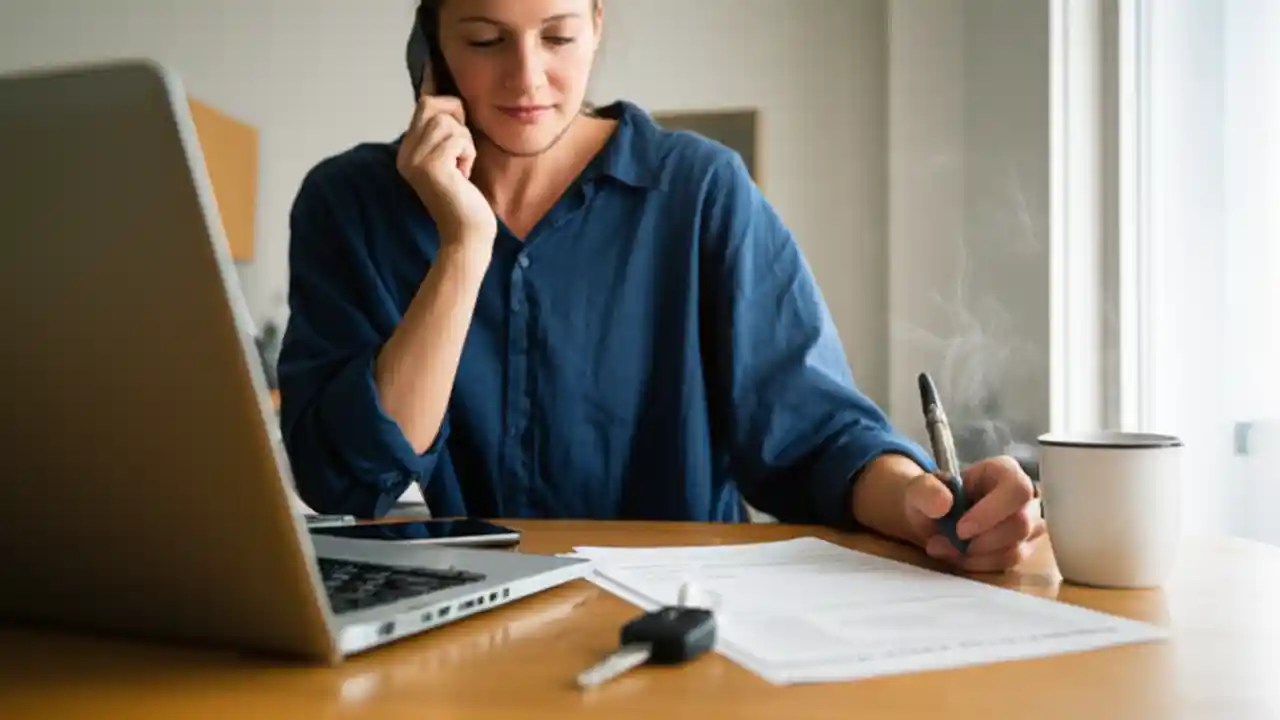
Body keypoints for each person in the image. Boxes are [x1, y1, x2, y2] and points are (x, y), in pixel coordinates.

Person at [278, 0, 1044, 573]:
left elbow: (817, 438)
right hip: (449, 631)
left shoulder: (700, 190)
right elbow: (350, 480)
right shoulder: (347, 205)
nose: (526, 77)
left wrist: (920, 503)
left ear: (598, 22)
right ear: (430, 52)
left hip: (680, 623)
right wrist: (463, 248)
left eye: (557, 35)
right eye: (484, 40)